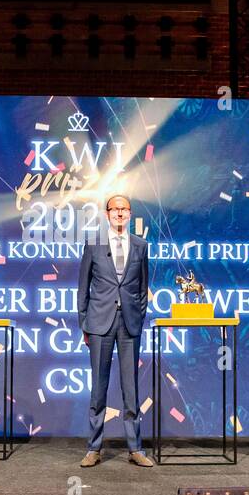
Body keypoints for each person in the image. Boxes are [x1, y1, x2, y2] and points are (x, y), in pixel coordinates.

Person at [77, 194, 153, 468]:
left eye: (124, 210)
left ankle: (135, 448)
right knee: (98, 388)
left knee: (130, 388)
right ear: (107, 214)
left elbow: (143, 287)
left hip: (129, 323)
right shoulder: (94, 243)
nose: (120, 214)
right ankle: (94, 448)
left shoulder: (140, 245)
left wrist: (139, 316)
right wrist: (84, 322)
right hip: (99, 323)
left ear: (130, 214)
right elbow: (82, 287)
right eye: (115, 209)